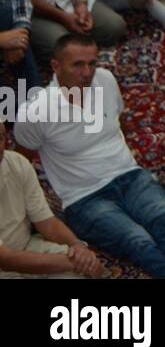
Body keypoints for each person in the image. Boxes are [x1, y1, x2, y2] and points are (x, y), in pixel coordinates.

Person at [13, 34, 165, 280]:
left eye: (92, 63)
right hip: (84, 198)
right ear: (55, 66)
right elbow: (21, 161)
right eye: (78, 65)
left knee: (161, 216)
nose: (87, 72)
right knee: (136, 239)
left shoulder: (105, 80)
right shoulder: (35, 111)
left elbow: (119, 123)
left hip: (128, 175)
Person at [0, 119, 104, 278]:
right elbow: (6, 259)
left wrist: (78, 247)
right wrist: (73, 262)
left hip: (26, 246)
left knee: (84, 269)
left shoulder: (16, 163)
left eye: (0, 138)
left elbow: (47, 223)